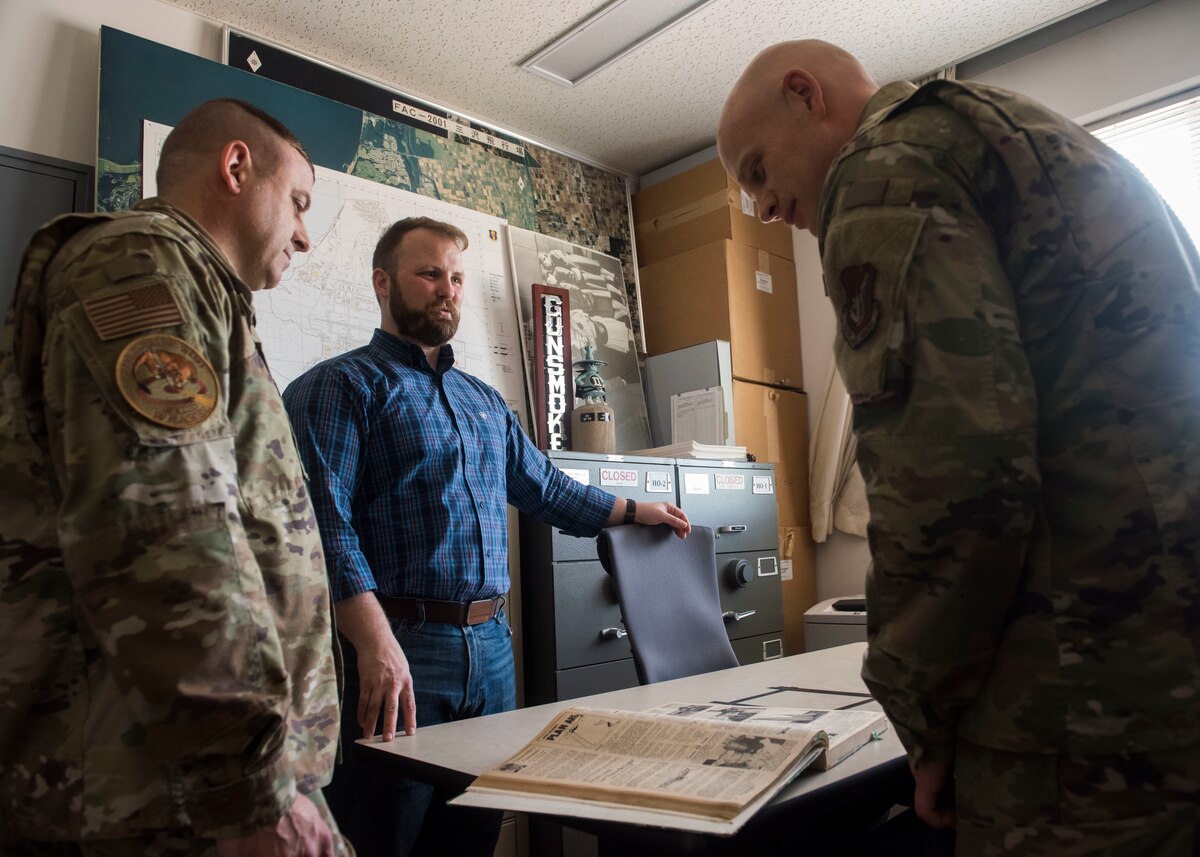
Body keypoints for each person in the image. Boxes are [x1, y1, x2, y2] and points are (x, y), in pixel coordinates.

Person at [718, 40, 1200, 856]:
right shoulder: (1012, 134)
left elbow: (951, 486)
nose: (763, 207)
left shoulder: (882, 172)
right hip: (1158, 667)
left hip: (1079, 707)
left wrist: (924, 717)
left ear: (806, 94)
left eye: (759, 169)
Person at [0, 99, 350, 857]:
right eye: (297, 202)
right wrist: (249, 791)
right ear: (235, 167)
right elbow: (165, 533)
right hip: (153, 800)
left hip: (197, 785)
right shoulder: (140, 265)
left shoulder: (206, 298)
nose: (303, 234)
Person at [282, 216, 692, 857]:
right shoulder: (337, 388)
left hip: (493, 653)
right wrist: (375, 645)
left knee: (472, 837)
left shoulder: (483, 401)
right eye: (429, 274)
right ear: (383, 283)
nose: (447, 290)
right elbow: (321, 527)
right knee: (381, 833)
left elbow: (546, 489)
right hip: (402, 650)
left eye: (456, 277)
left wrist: (637, 511)